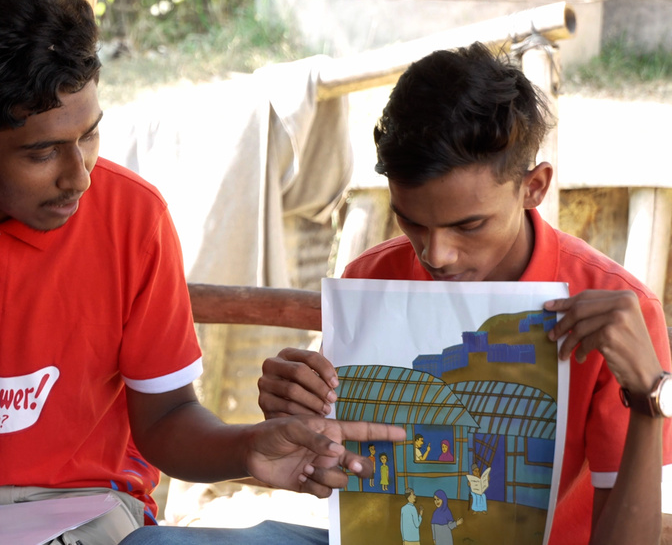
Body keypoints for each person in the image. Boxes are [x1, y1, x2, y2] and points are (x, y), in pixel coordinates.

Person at [0, 0, 404, 545]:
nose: (79, 176)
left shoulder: (134, 217)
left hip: (83, 511)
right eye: (42, 153)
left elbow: (166, 417)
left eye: (88, 135)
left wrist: (246, 448)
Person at [258, 42, 672, 544]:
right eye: (411, 221)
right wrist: (301, 420)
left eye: (469, 225)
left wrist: (649, 399)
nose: (437, 255)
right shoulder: (371, 280)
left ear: (534, 187)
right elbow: (335, 463)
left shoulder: (613, 311)